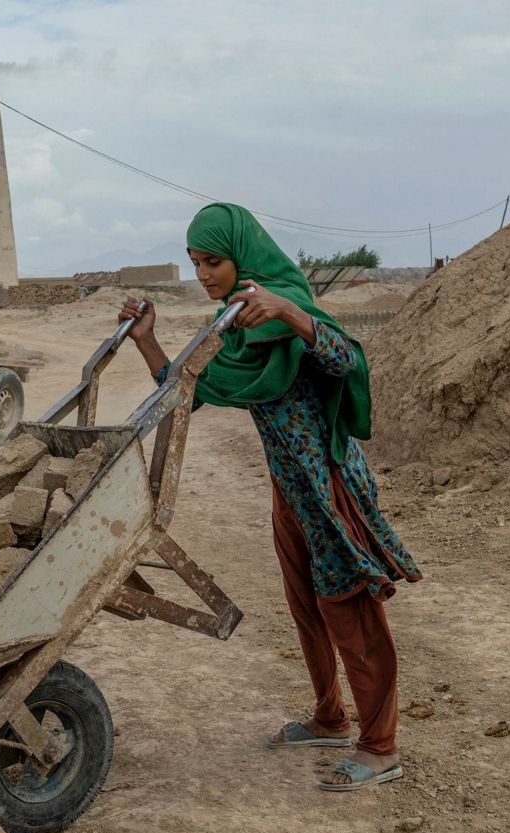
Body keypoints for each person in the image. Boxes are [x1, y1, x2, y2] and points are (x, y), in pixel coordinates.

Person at [119, 202, 422, 792]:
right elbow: (192, 388)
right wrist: (147, 340)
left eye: (213, 262)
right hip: (290, 491)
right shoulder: (235, 323)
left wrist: (290, 312)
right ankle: (329, 718)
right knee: (306, 605)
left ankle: (380, 746)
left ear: (242, 256)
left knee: (350, 610)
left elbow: (348, 358)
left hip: (328, 487)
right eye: (195, 263)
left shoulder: (282, 305)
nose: (204, 274)